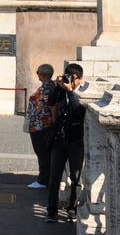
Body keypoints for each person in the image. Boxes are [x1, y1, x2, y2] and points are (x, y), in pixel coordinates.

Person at [46, 63, 86, 224]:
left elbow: (78, 111)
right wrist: (59, 86)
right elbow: (50, 102)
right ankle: (51, 211)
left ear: (80, 79)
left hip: (76, 141)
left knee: (75, 178)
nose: (70, 80)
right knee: (54, 177)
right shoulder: (62, 91)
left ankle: (72, 209)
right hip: (59, 140)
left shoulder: (81, 93)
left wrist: (70, 91)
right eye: (67, 76)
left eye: (72, 77)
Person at [25, 63, 56, 189]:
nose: (37, 74)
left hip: (41, 126)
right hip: (41, 124)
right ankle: (46, 178)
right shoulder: (50, 86)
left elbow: (51, 106)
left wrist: (53, 122)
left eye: (38, 72)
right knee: (44, 153)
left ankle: (43, 180)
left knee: (42, 153)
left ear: (42, 75)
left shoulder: (47, 89)